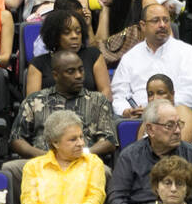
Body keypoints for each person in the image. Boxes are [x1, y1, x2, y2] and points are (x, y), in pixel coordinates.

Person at [7, 47, 116, 191]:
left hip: (83, 163)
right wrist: (45, 156)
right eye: (71, 71)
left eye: (81, 70)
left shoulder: (98, 100)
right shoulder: (35, 100)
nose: (78, 75)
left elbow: (109, 141)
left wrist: (83, 153)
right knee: (9, 170)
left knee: (105, 172)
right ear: (56, 75)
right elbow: (16, 139)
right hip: (43, 163)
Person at [19, 109, 106, 204]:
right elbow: (29, 202)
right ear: (55, 143)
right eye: (73, 139)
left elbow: (96, 197)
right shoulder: (33, 167)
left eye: (81, 137)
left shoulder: (94, 163)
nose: (80, 143)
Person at [110, 0, 192, 118]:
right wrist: (126, 110)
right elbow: (119, 95)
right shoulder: (130, 57)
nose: (162, 25)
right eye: (156, 21)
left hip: (177, 117)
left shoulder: (187, 53)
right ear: (143, 26)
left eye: (166, 20)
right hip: (139, 119)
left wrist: (160, 106)